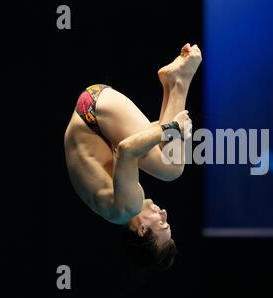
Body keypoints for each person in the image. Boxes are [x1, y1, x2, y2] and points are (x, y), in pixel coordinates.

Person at [64, 43, 202, 271]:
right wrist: (168, 130)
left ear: (142, 230)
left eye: (162, 224)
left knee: (172, 168)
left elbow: (127, 150)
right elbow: (135, 143)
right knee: (164, 152)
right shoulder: (114, 212)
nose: (164, 213)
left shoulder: (128, 207)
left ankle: (180, 81)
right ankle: (171, 81)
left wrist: (172, 128)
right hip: (93, 113)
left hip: (94, 112)